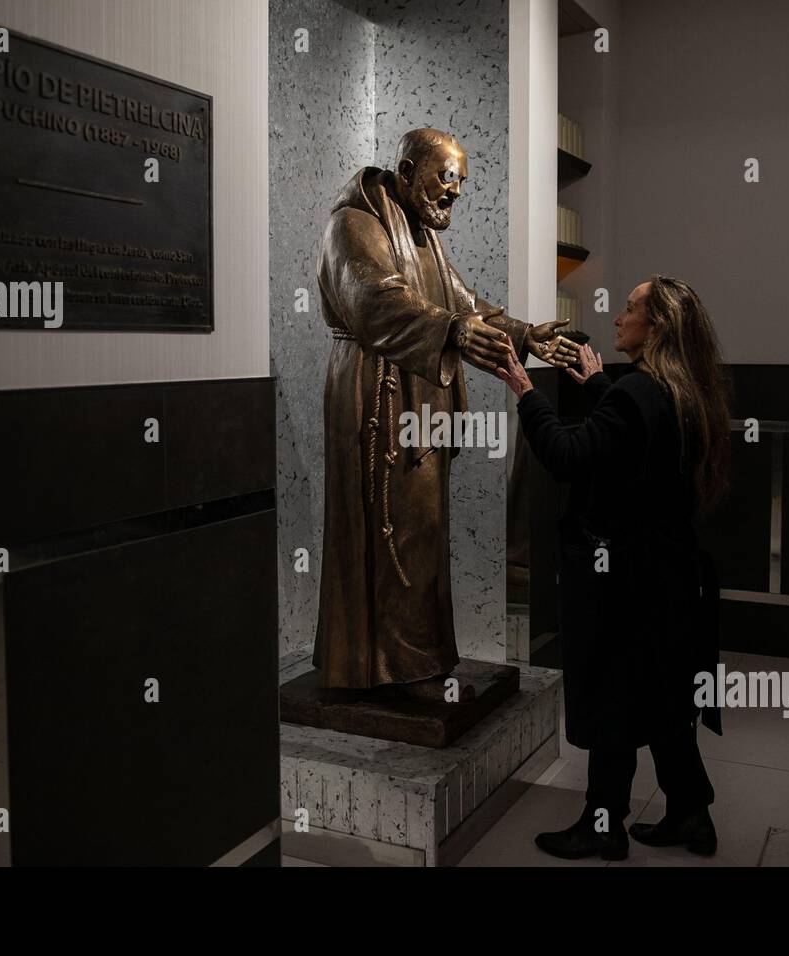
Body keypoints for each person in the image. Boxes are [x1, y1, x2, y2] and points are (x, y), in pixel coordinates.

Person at [313, 127, 577, 693]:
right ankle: (376, 665)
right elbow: (373, 299)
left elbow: (463, 305)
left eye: (461, 182)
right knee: (389, 529)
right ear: (407, 171)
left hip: (421, 394)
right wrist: (455, 330)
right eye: (445, 177)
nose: (454, 193)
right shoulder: (353, 224)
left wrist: (525, 335)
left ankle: (415, 660)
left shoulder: (421, 232)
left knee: (422, 528)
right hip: (375, 394)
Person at [496, 275, 732, 861]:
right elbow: (634, 443)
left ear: (655, 328)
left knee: (613, 698)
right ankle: (690, 814)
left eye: (629, 310)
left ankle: (602, 825)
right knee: (665, 698)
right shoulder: (682, 391)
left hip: (625, 579)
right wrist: (601, 383)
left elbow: (571, 455)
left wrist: (526, 389)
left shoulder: (640, 394)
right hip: (672, 576)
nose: (617, 317)